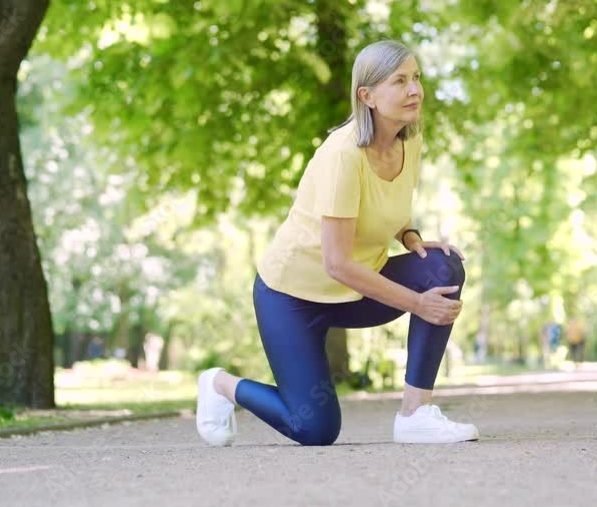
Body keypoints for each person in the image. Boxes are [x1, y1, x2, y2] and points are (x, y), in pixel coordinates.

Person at [195, 40, 477, 447]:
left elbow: (387, 207)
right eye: (399, 81)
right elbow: (337, 264)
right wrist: (418, 303)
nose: (414, 90)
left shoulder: (408, 141)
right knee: (315, 429)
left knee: (441, 266)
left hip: (354, 292)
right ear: (367, 96)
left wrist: (409, 235)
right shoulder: (344, 155)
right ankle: (219, 384)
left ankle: (415, 415)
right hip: (292, 298)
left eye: (416, 78)